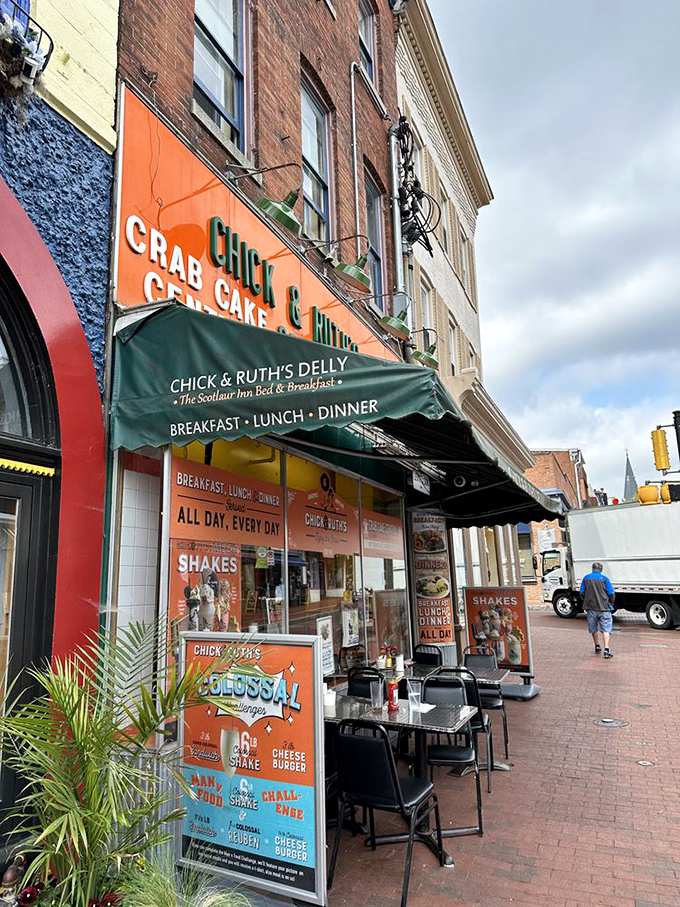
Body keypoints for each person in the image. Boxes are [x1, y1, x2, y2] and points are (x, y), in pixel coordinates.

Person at [580, 561, 616, 659]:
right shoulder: (605, 579)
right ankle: (606, 650)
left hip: (591, 608)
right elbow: (611, 593)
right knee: (606, 629)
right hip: (604, 608)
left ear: (592, 569)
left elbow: (582, 592)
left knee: (593, 628)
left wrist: (587, 600)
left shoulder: (586, 578)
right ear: (601, 570)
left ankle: (597, 646)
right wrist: (611, 603)